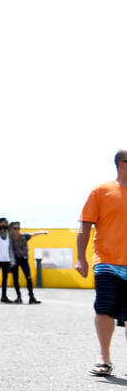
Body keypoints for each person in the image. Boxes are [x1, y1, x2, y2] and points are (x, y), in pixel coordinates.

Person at [75, 150, 127, 376]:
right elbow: (85, 225)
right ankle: (104, 357)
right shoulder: (101, 191)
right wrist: (80, 258)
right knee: (104, 307)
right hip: (107, 261)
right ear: (119, 164)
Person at [7, 221, 46, 305]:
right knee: (15, 279)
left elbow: (33, 234)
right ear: (11, 229)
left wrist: (43, 232)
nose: (17, 230)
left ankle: (31, 297)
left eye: (18, 228)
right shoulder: (8, 239)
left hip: (24, 259)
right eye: (15, 228)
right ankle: (19, 297)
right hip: (14, 260)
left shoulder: (24, 236)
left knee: (28, 277)